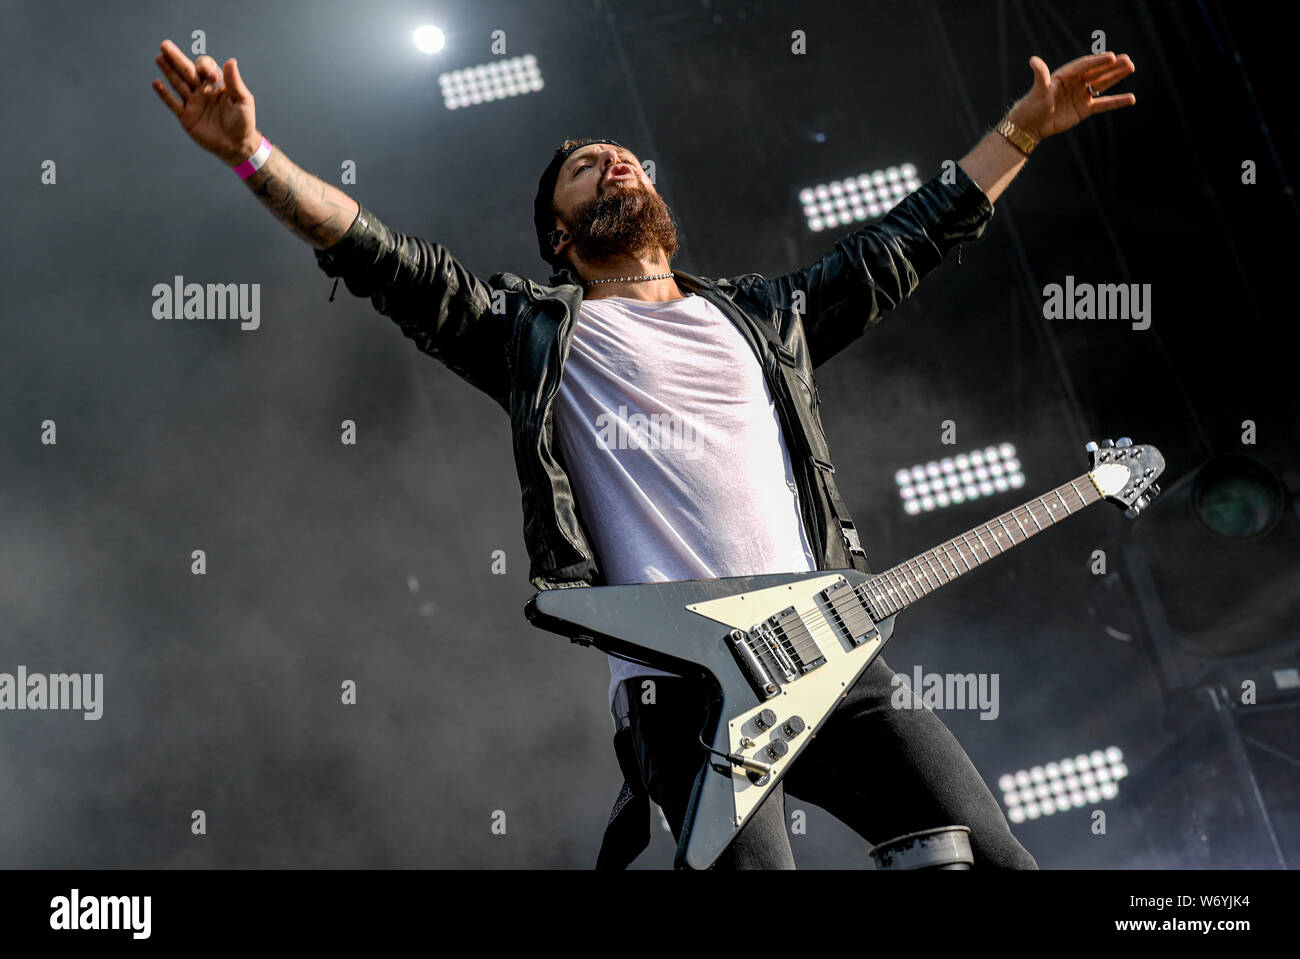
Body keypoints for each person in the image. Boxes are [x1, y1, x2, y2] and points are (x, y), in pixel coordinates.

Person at [151, 39, 1136, 869]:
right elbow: (378, 257)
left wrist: (1019, 132)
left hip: (836, 660)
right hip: (685, 689)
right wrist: (252, 157)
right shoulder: (532, 331)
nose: (614, 163)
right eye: (587, 169)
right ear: (560, 234)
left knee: (994, 854)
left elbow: (905, 241)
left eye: (623, 157)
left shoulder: (764, 317)